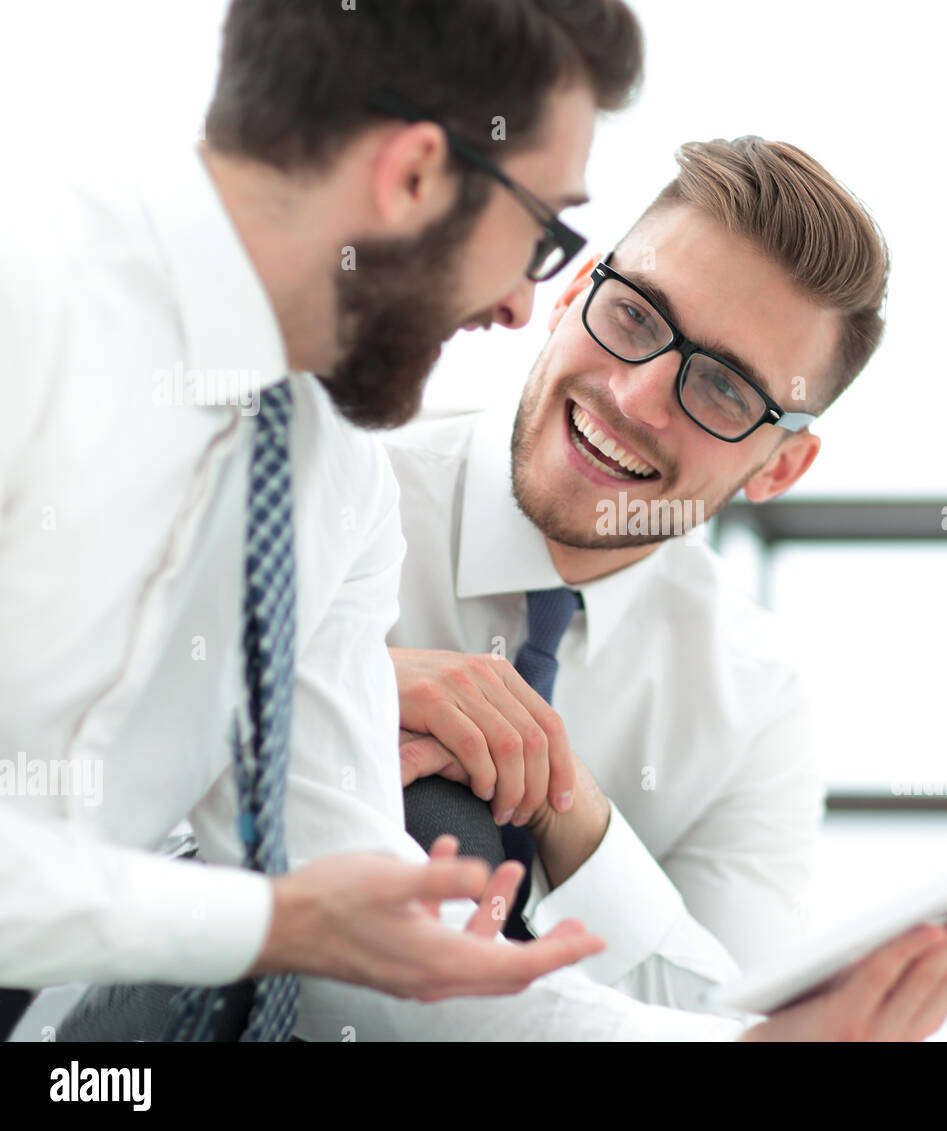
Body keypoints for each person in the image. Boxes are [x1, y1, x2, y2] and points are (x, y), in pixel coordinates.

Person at [0, 0, 645, 1041]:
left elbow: (359, 924)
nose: (519, 311)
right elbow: (297, 919)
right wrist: (261, 922)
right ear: (415, 176)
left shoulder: (331, 478)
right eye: (539, 235)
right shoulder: (25, 296)